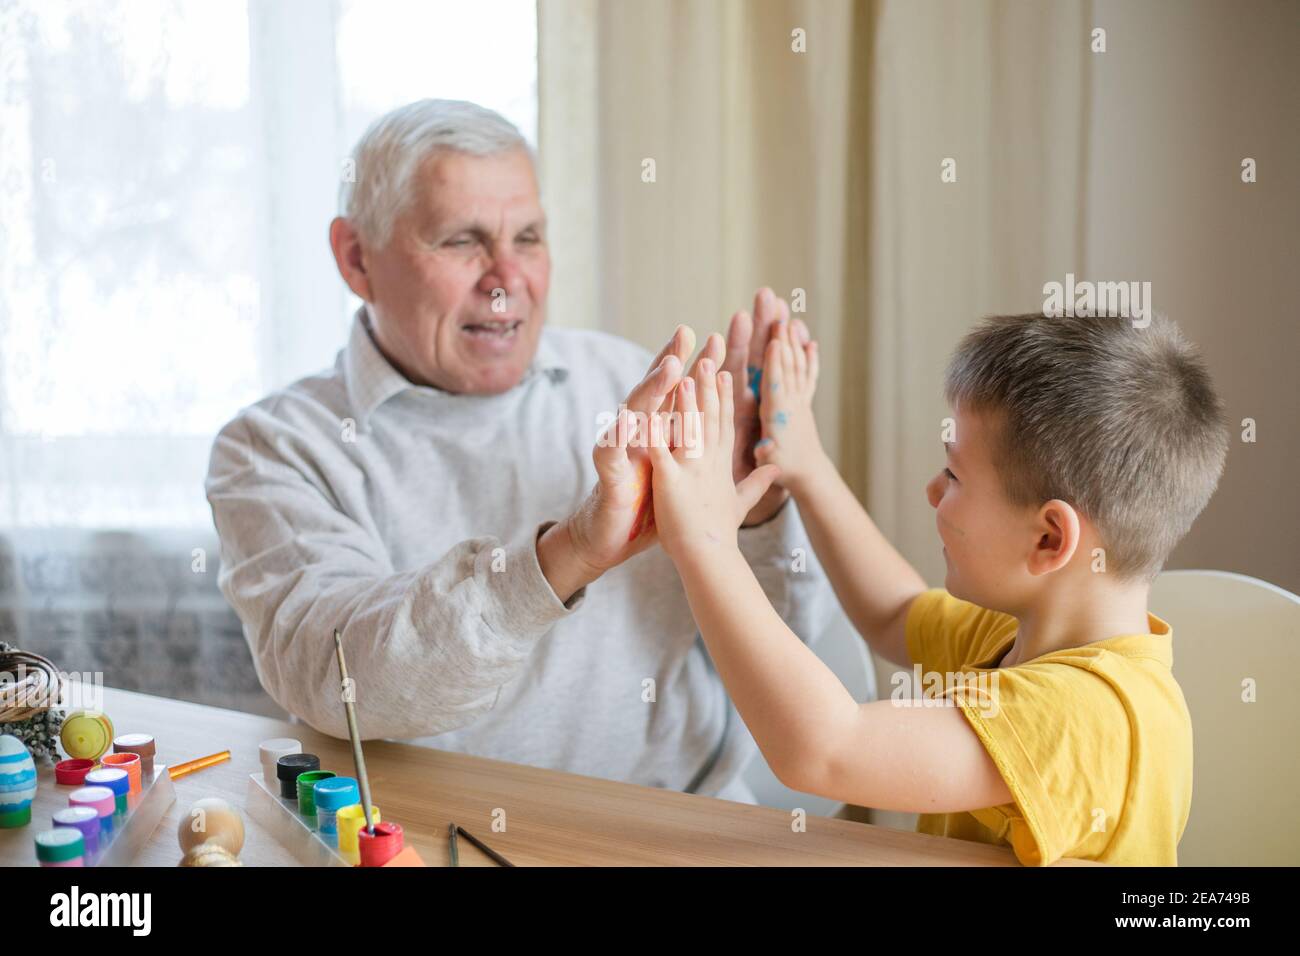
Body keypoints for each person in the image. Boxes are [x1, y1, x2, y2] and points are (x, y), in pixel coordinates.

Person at [205, 99, 833, 803]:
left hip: (682, 819)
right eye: (460, 240)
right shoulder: (273, 448)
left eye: (528, 237)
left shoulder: (632, 384)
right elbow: (339, 682)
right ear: (356, 258)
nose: (506, 278)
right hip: (423, 837)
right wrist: (566, 553)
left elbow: (786, 648)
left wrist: (760, 509)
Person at [646, 311, 1227, 863]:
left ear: (1050, 539)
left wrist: (705, 544)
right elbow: (896, 614)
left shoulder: (1085, 717)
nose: (932, 490)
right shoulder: (1024, 633)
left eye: (953, 474)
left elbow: (825, 750)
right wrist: (804, 463)